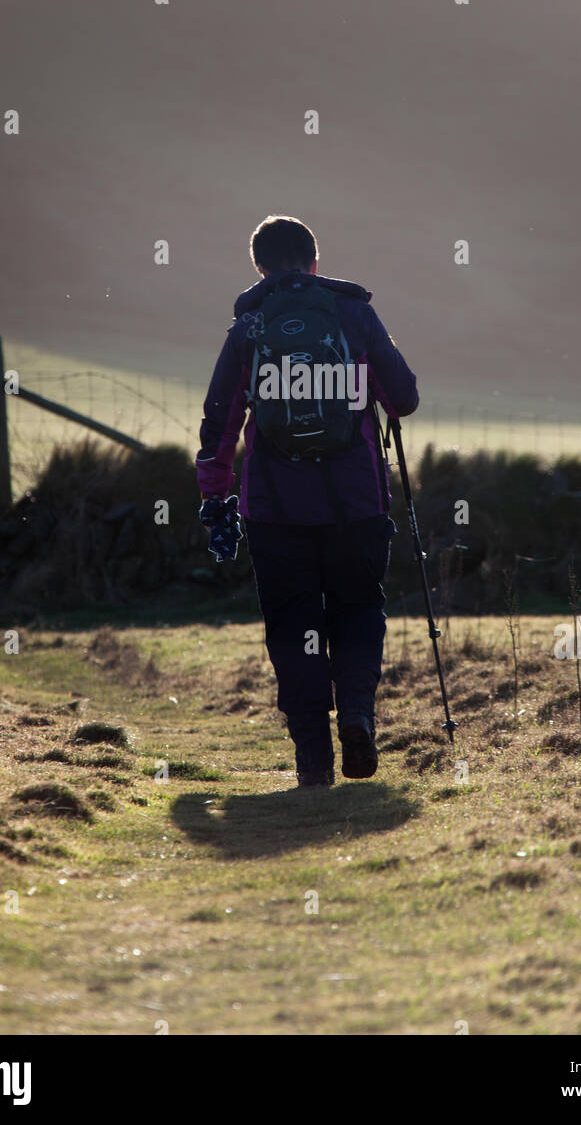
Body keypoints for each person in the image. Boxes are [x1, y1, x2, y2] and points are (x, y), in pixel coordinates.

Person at [196, 215, 419, 786]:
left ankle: (313, 761)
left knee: (294, 627)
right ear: (315, 262)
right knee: (358, 612)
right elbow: (404, 399)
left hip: (274, 509)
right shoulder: (355, 313)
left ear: (261, 268)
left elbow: (221, 418)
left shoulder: (248, 327)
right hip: (357, 502)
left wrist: (216, 495)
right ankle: (359, 717)